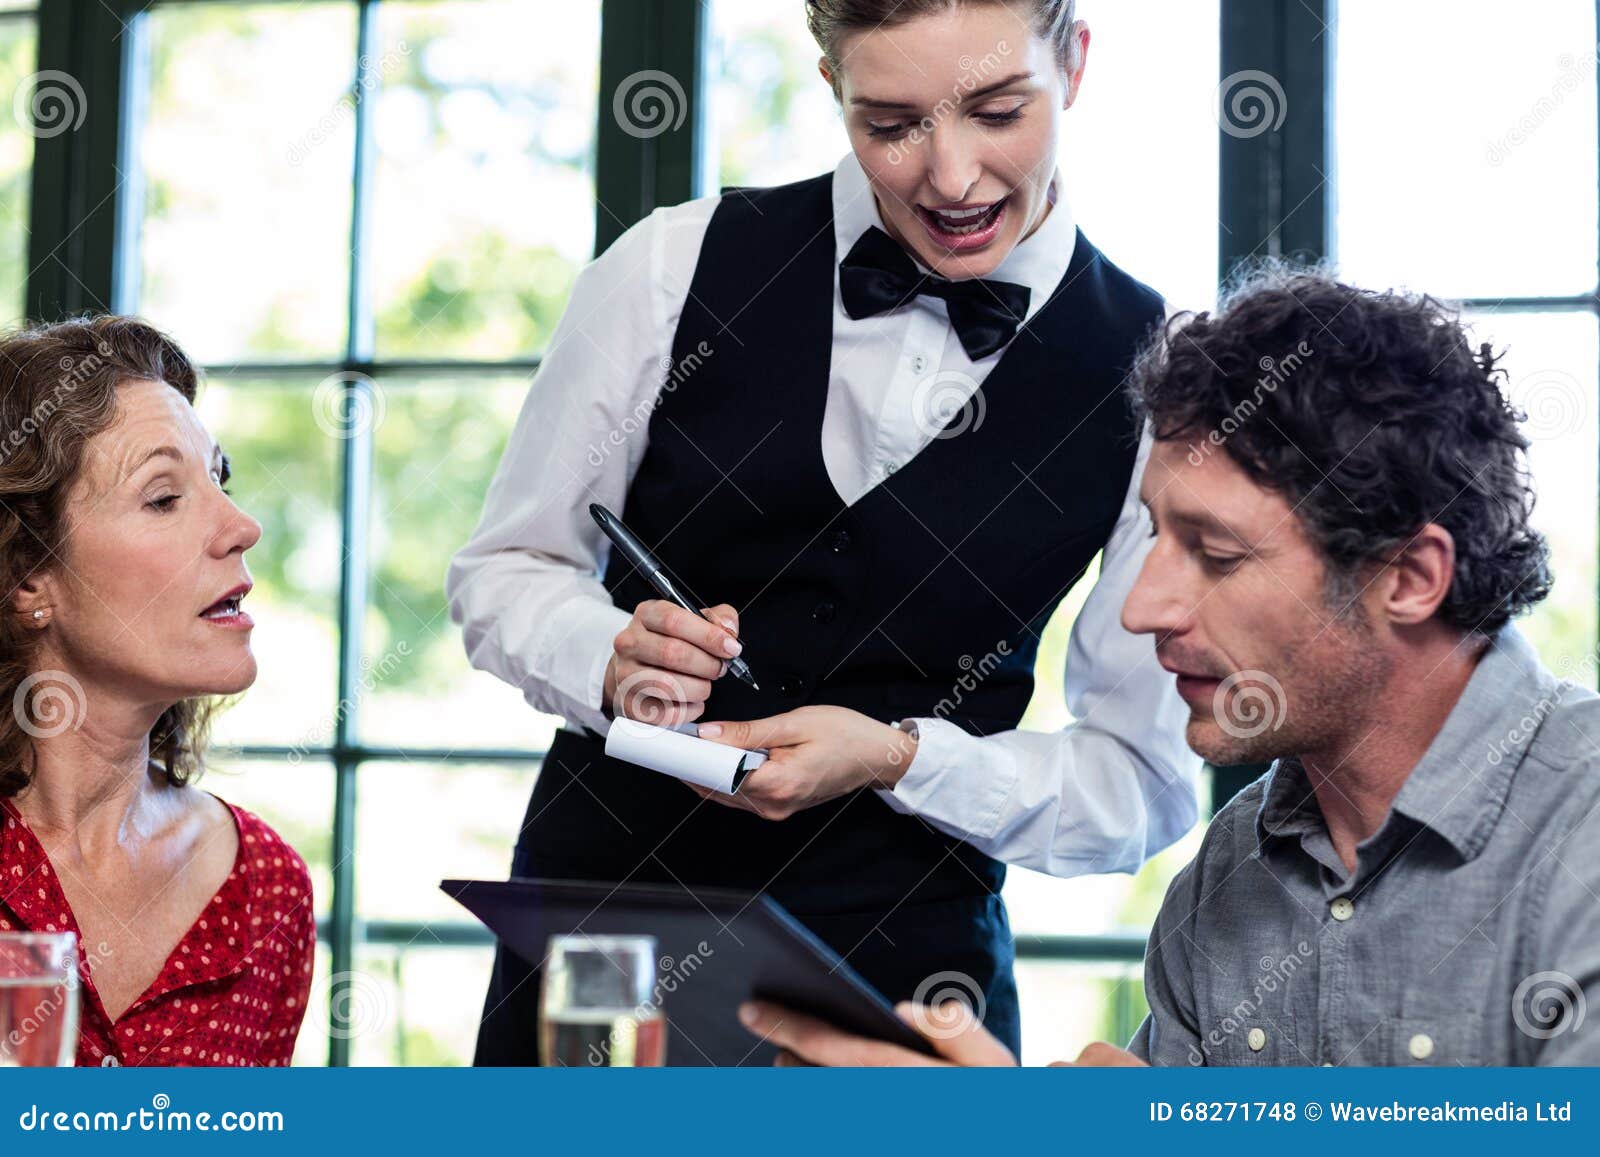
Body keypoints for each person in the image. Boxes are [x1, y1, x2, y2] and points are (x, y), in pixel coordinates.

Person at [448, 0, 1199, 1063]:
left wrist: (901, 758)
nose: (951, 178)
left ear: (1073, 64)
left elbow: (1138, 782)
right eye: (890, 124)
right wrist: (605, 657)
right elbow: (508, 568)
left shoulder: (1158, 375)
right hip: (610, 933)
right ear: (831, 85)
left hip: (908, 990)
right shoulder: (667, 267)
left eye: (997, 113)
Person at [734, 269, 1600, 1067]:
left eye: (1216, 554)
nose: (1142, 608)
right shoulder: (1231, 873)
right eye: (1154, 533)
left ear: (1408, 578)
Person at [0, 316, 316, 1068]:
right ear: (29, 578)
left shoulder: (267, 889)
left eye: (221, 481)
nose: (242, 526)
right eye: (165, 497)